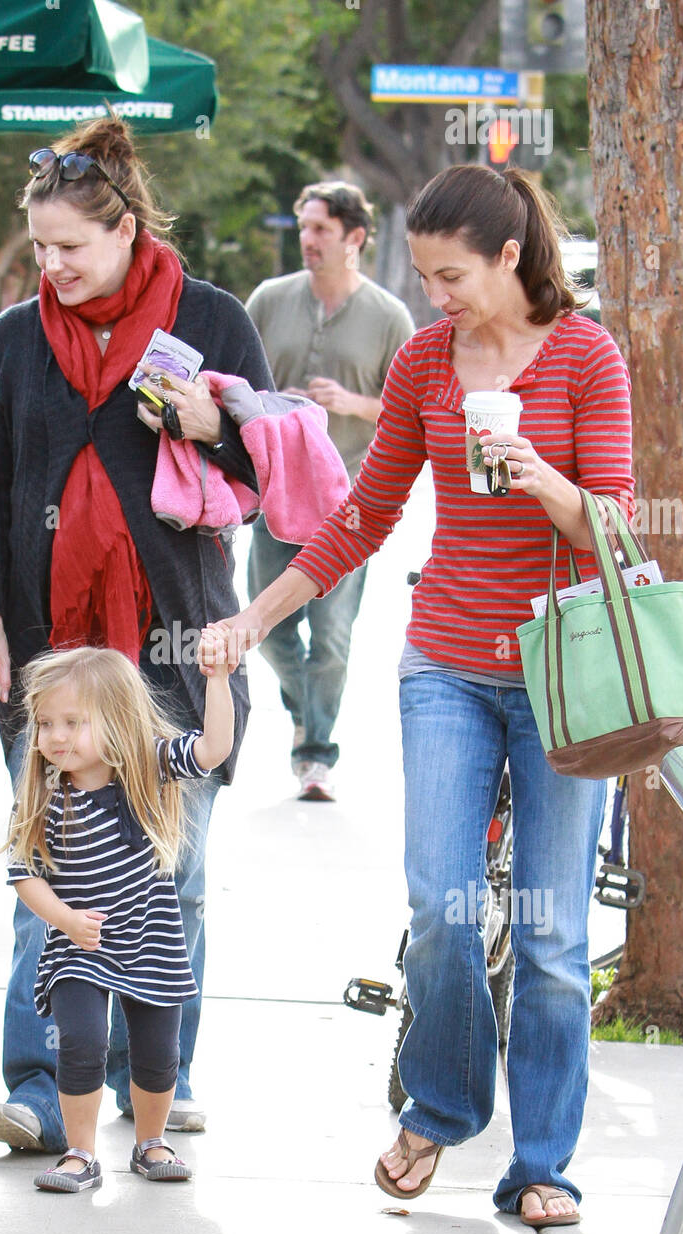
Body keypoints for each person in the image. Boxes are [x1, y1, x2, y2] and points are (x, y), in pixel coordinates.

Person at [213, 165, 633, 1228]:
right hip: (445, 662)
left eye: (450, 275)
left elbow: (615, 527)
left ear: (507, 257)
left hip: (561, 673)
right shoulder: (423, 361)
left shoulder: (585, 357)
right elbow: (361, 515)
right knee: (441, 908)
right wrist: (253, 617)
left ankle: (539, 1164)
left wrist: (539, 477)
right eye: (423, 275)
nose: (434, 294)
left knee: (545, 937)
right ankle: (443, 1102)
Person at [0, 116, 272, 1152]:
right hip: (52, 660)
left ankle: (155, 1086)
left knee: (169, 881)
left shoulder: (213, 321)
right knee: (49, 875)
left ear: (124, 228)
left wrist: (208, 427)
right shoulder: (14, 337)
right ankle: (42, 1088)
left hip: (178, 649)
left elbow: (266, 482)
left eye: (69, 249)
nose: (50, 267)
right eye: (38, 249)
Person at [7, 639, 233, 1192]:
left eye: (72, 723)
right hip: (78, 945)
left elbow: (213, 749)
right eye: (45, 724)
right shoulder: (44, 794)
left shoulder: (146, 771)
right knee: (81, 1042)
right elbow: (23, 874)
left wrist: (220, 680)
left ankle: (150, 1144)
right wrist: (63, 918)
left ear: (117, 720)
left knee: (158, 1054)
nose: (55, 737)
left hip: (151, 937)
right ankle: (81, 1154)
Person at [244, 182, 414, 801]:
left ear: (355, 238)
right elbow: (237, 378)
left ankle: (315, 750)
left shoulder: (390, 317)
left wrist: (352, 403)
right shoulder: (269, 299)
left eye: (320, 229)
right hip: (275, 492)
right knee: (266, 626)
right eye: (303, 227)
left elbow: (412, 413)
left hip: (349, 503)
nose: (307, 240)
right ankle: (303, 711)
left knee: (333, 637)